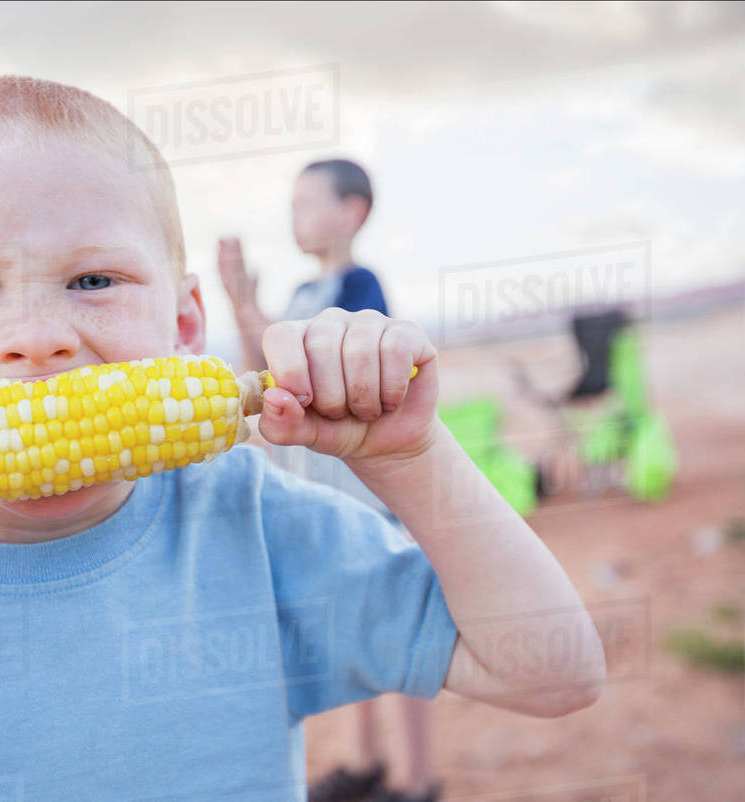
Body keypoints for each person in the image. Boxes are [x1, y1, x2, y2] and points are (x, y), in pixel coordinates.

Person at [0, 77, 604, 801]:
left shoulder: (255, 526)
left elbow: (550, 668)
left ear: (183, 329)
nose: (37, 335)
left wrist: (414, 461)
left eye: (94, 280)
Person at [219, 160, 437, 801]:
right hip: (322, 491)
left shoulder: (360, 284)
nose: (297, 217)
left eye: (309, 203)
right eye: (292, 205)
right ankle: (365, 761)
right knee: (347, 627)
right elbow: (261, 370)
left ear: (353, 213)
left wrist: (246, 304)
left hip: (370, 495)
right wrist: (244, 308)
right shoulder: (296, 296)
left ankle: (419, 779)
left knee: (399, 628)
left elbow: (316, 371)